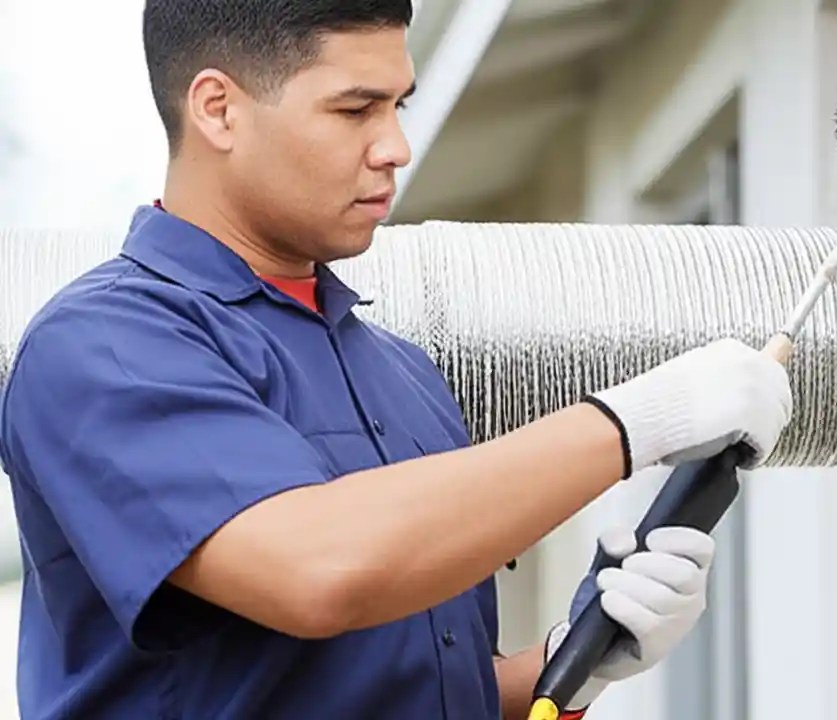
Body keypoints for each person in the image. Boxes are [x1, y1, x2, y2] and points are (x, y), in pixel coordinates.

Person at [0, 2, 793, 719]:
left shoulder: (403, 375)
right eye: (356, 109)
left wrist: (572, 662)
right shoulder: (103, 347)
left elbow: (430, 690)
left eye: (398, 105)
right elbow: (318, 568)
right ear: (218, 109)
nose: (396, 147)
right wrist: (637, 421)